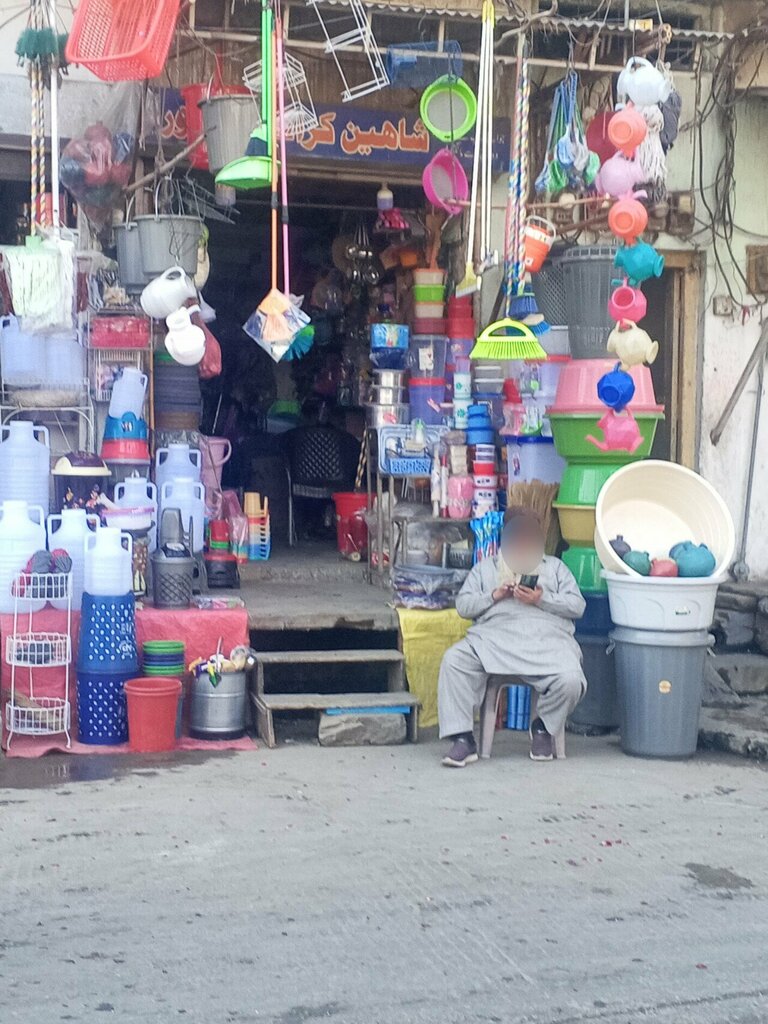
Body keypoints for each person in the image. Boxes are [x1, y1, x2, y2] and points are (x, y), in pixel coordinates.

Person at [438, 506, 587, 767]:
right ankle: (462, 738)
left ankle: (542, 727)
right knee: (454, 660)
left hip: (548, 642)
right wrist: (494, 596)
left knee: (572, 679)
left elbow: (578, 606)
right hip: (493, 640)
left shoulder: (555, 568)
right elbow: (463, 606)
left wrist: (543, 599)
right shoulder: (486, 569)